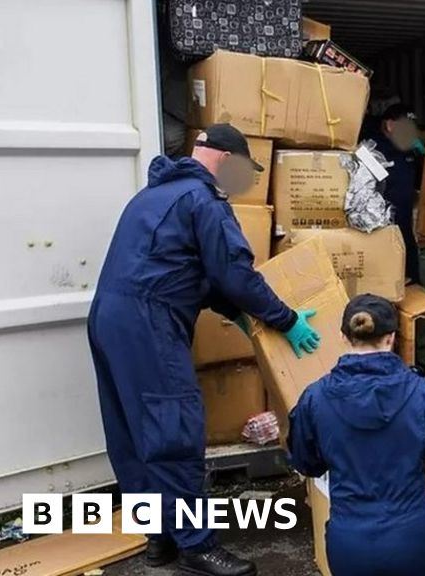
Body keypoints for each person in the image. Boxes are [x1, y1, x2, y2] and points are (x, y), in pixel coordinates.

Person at [88, 124, 320, 576]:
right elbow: (234, 274)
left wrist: (237, 313)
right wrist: (286, 319)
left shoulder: (153, 195)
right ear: (226, 160)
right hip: (149, 322)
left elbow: (189, 270)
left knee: (133, 433)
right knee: (173, 429)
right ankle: (197, 547)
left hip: (108, 319)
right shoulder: (204, 200)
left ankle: (160, 538)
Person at [288, 294, 425, 576]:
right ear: (391, 338)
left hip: (349, 547)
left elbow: (307, 463)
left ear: (343, 337)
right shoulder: (421, 392)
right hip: (414, 541)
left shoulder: (315, 398)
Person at [366, 103, 425, 283]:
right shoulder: (371, 151)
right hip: (379, 231)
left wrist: (424, 157)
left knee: (412, 280)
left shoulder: (410, 152)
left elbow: (422, 184)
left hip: (405, 230)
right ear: (390, 125)